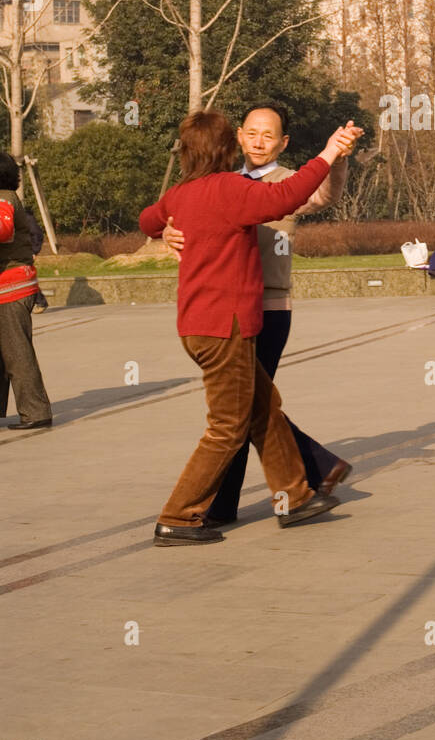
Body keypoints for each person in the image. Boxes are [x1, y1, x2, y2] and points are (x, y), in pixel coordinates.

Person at [139, 110, 362, 546]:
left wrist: (164, 225)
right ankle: (179, 516)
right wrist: (331, 149)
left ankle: (295, 496)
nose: (258, 142)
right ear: (231, 144)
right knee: (227, 427)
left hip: (199, 324)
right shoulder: (233, 189)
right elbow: (285, 198)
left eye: (268, 136)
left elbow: (149, 218)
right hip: (228, 326)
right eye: (249, 136)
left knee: (264, 408)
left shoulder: (182, 192)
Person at [0, 154, 52, 429]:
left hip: (12, 288)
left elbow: (3, 229)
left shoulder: (3, 198)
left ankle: (36, 412)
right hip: (9, 287)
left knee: (17, 353)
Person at [23, 208, 48, 313]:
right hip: (13, 253)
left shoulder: (26, 218)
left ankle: (41, 301)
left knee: (26, 278)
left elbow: (37, 234)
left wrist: (34, 251)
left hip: (25, 253)